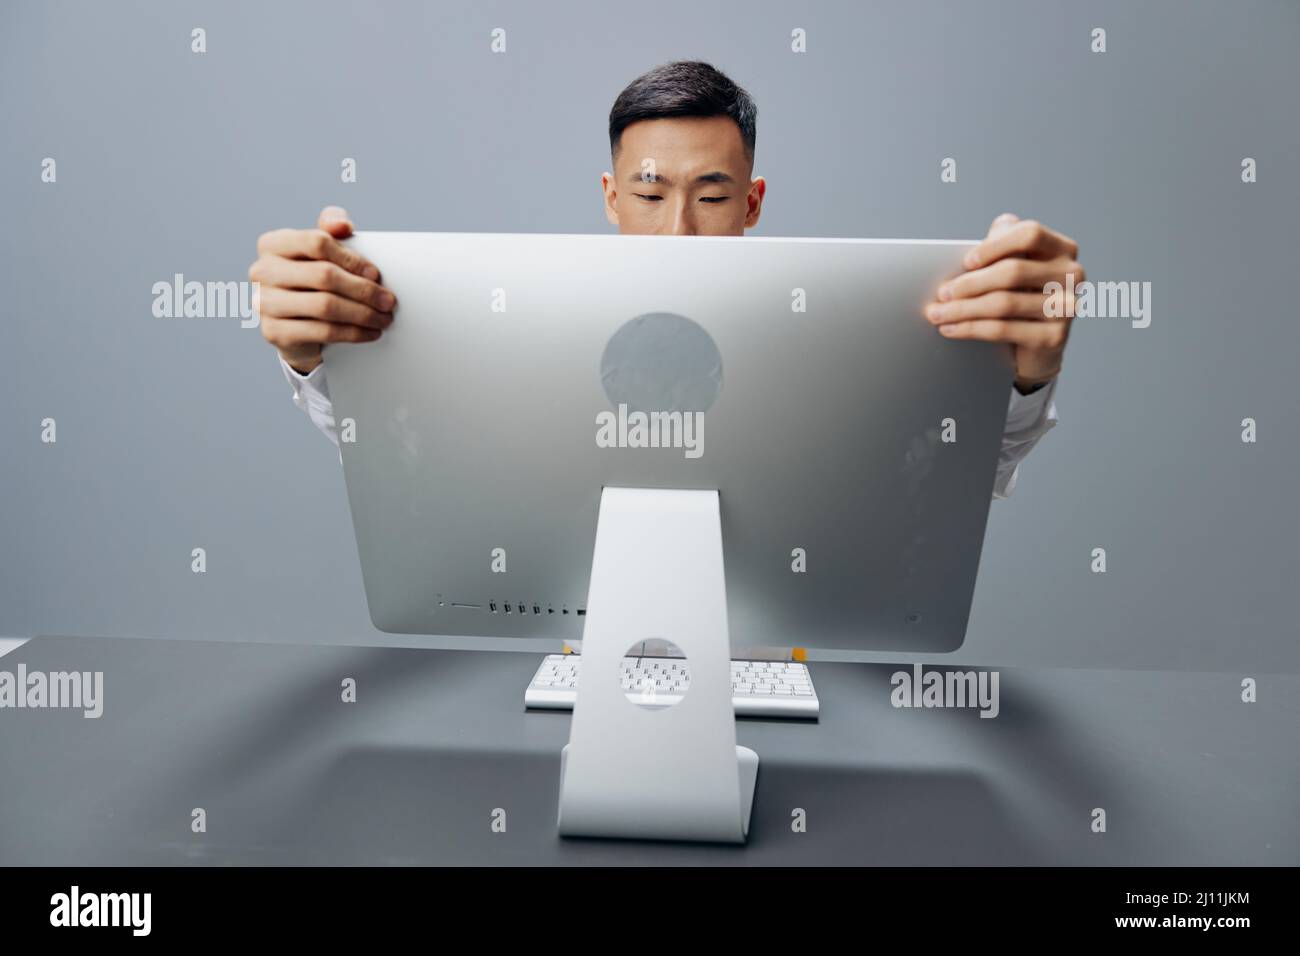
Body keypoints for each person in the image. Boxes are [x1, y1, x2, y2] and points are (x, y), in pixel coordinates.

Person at [251, 60, 1078, 501]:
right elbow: (414, 462)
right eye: (649, 194)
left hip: (787, 670)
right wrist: (315, 361)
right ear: (611, 199)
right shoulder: (528, 328)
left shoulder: (838, 336)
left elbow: (953, 479)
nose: (678, 228)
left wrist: (1026, 375)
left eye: (712, 195)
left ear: (753, 202)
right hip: (575, 663)